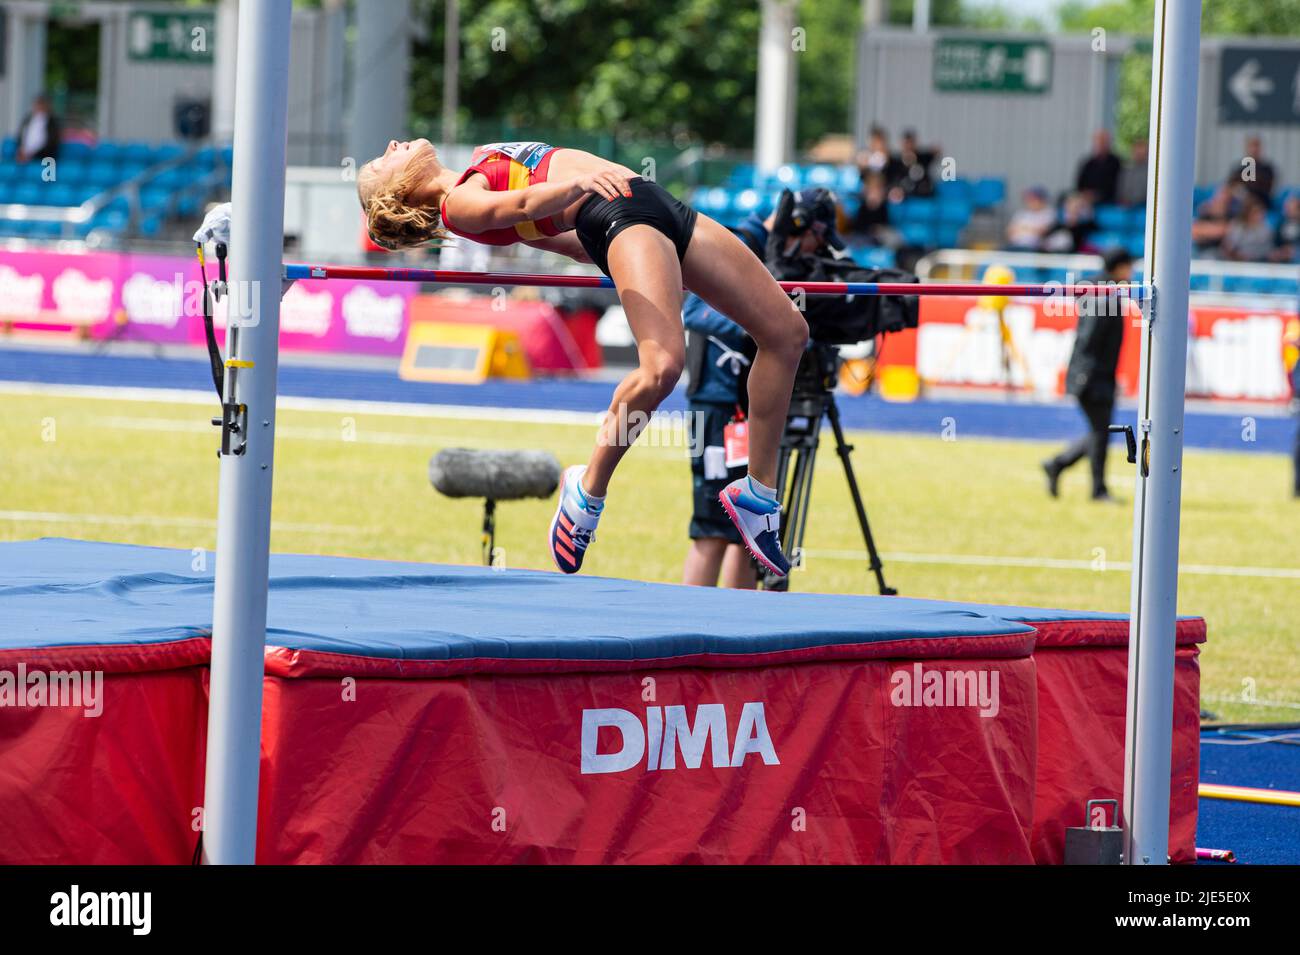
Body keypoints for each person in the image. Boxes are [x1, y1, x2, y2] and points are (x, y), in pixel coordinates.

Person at [357, 139, 808, 577]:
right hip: (619, 212)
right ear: (397, 194)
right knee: (662, 367)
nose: (393, 142)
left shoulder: (479, 163)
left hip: (654, 204)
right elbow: (517, 207)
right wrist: (583, 186)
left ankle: (757, 492)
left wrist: (651, 268)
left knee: (787, 334)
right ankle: (588, 488)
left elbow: (559, 236)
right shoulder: (458, 203)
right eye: (382, 160)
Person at [681, 190, 841, 589]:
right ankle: (685, 625)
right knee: (711, 528)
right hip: (716, 402)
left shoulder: (772, 249)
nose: (814, 252)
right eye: (815, 241)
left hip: (750, 402)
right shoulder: (734, 243)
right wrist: (768, 321)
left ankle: (737, 631)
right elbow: (695, 312)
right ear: (801, 226)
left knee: (746, 529)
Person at [1042, 249, 1134, 502]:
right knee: (1100, 432)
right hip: (1094, 377)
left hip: (1094, 375)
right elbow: (1089, 339)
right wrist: (1086, 376)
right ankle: (1097, 489)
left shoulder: (1100, 291)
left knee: (1100, 431)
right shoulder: (1104, 296)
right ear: (1120, 268)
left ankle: (1059, 465)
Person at [1221, 192, 1275, 262]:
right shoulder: (1236, 226)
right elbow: (1228, 246)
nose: (1259, 215)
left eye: (1261, 212)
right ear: (1248, 213)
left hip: (1258, 263)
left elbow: (1268, 251)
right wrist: (1235, 254)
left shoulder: (1266, 229)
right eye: (1255, 212)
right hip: (1234, 263)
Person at [1075, 129, 1121, 205]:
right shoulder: (1088, 163)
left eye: (1103, 141)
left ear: (1108, 143)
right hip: (1086, 198)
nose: (1100, 144)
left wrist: (1097, 195)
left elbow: (1116, 186)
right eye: (1098, 142)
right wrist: (1086, 193)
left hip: (1107, 199)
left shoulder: (1116, 163)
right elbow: (1079, 185)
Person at [893, 129, 939, 199]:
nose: (909, 146)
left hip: (923, 195)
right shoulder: (897, 161)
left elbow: (936, 151)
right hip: (905, 197)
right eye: (906, 143)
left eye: (911, 143)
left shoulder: (923, 158)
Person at [15, 94, 60, 164]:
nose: (39, 107)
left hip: (42, 158)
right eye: (38, 104)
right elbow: (20, 136)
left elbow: (51, 144)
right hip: (23, 156)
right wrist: (21, 151)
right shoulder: (28, 119)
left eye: (42, 105)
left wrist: (33, 155)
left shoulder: (52, 122)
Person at [1233, 135, 1276, 204]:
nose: (1254, 149)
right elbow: (1232, 187)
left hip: (1262, 206)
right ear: (1246, 148)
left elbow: (1265, 190)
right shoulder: (1239, 169)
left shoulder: (1267, 170)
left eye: (1256, 146)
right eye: (1251, 146)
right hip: (1243, 207)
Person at [1116, 138, 1148, 208]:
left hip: (1142, 207)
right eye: (1136, 151)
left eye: (1141, 151)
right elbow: (1121, 189)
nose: (1138, 154)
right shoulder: (1126, 169)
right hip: (1125, 206)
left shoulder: (1149, 171)